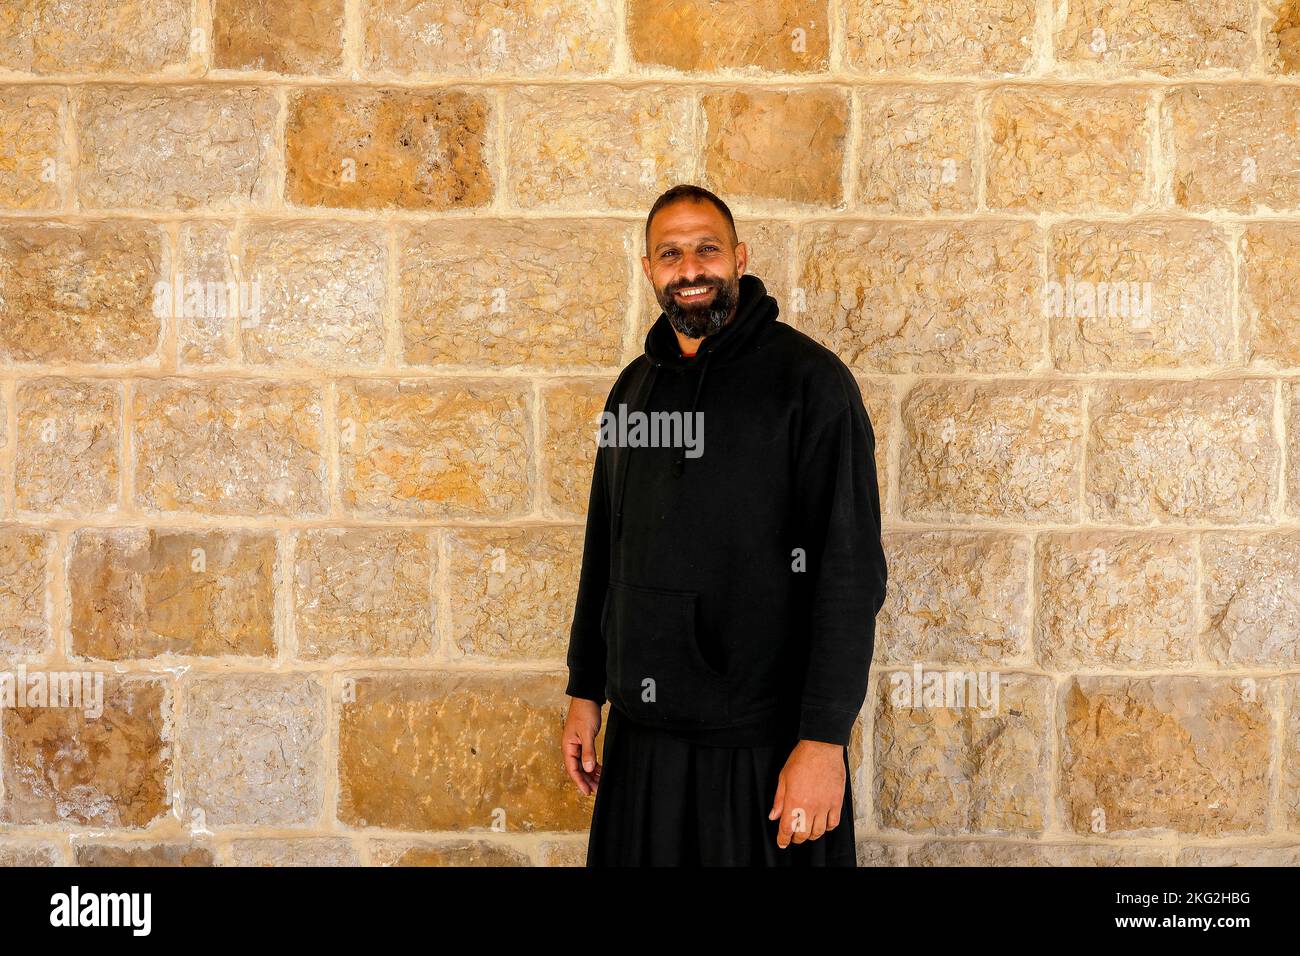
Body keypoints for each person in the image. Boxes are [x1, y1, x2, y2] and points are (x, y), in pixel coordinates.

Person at [560, 183, 888, 866]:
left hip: (762, 748)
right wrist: (586, 689)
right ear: (649, 269)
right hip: (642, 743)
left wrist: (824, 741)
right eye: (671, 254)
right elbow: (605, 551)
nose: (691, 269)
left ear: (738, 257)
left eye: (707, 249)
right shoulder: (633, 390)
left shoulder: (810, 384)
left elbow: (849, 574)